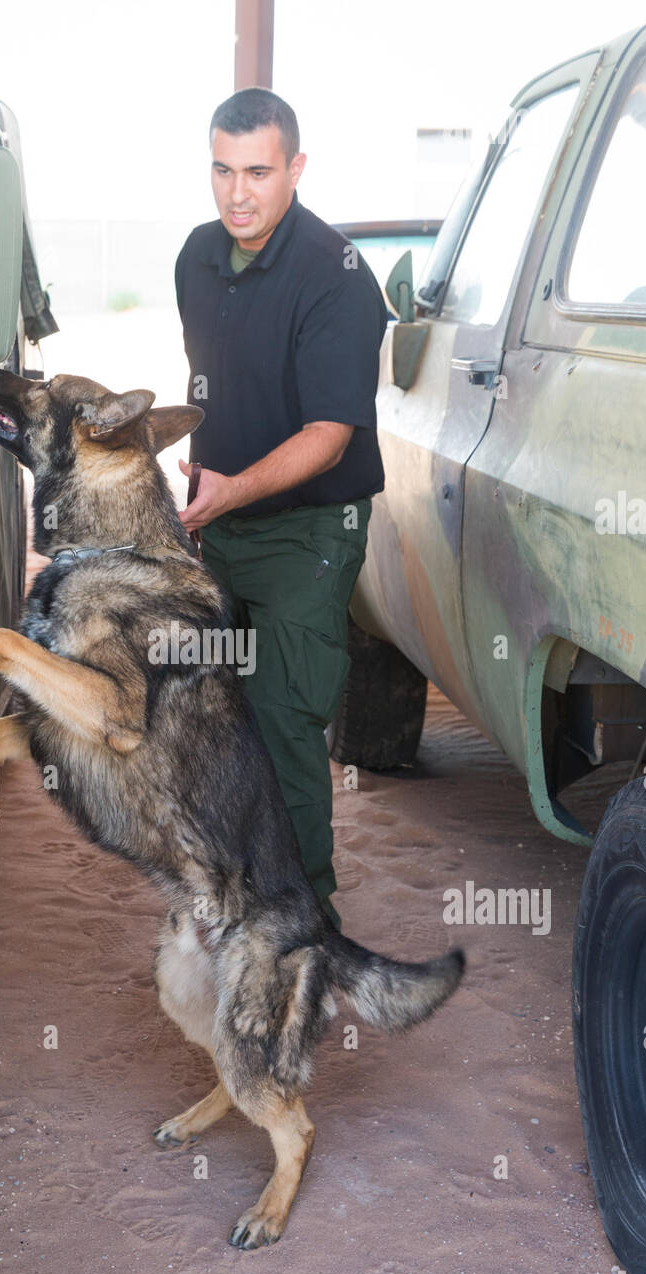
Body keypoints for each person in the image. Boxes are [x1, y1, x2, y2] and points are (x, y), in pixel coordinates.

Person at [174, 87, 387, 928]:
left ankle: (304, 926)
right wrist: (202, 465)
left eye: (257, 171)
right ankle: (234, 899)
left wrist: (232, 488)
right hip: (218, 526)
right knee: (217, 716)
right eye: (222, 171)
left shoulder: (337, 277)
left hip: (309, 535)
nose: (237, 193)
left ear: (294, 168)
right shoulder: (196, 255)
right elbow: (210, 375)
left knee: (286, 724)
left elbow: (329, 435)